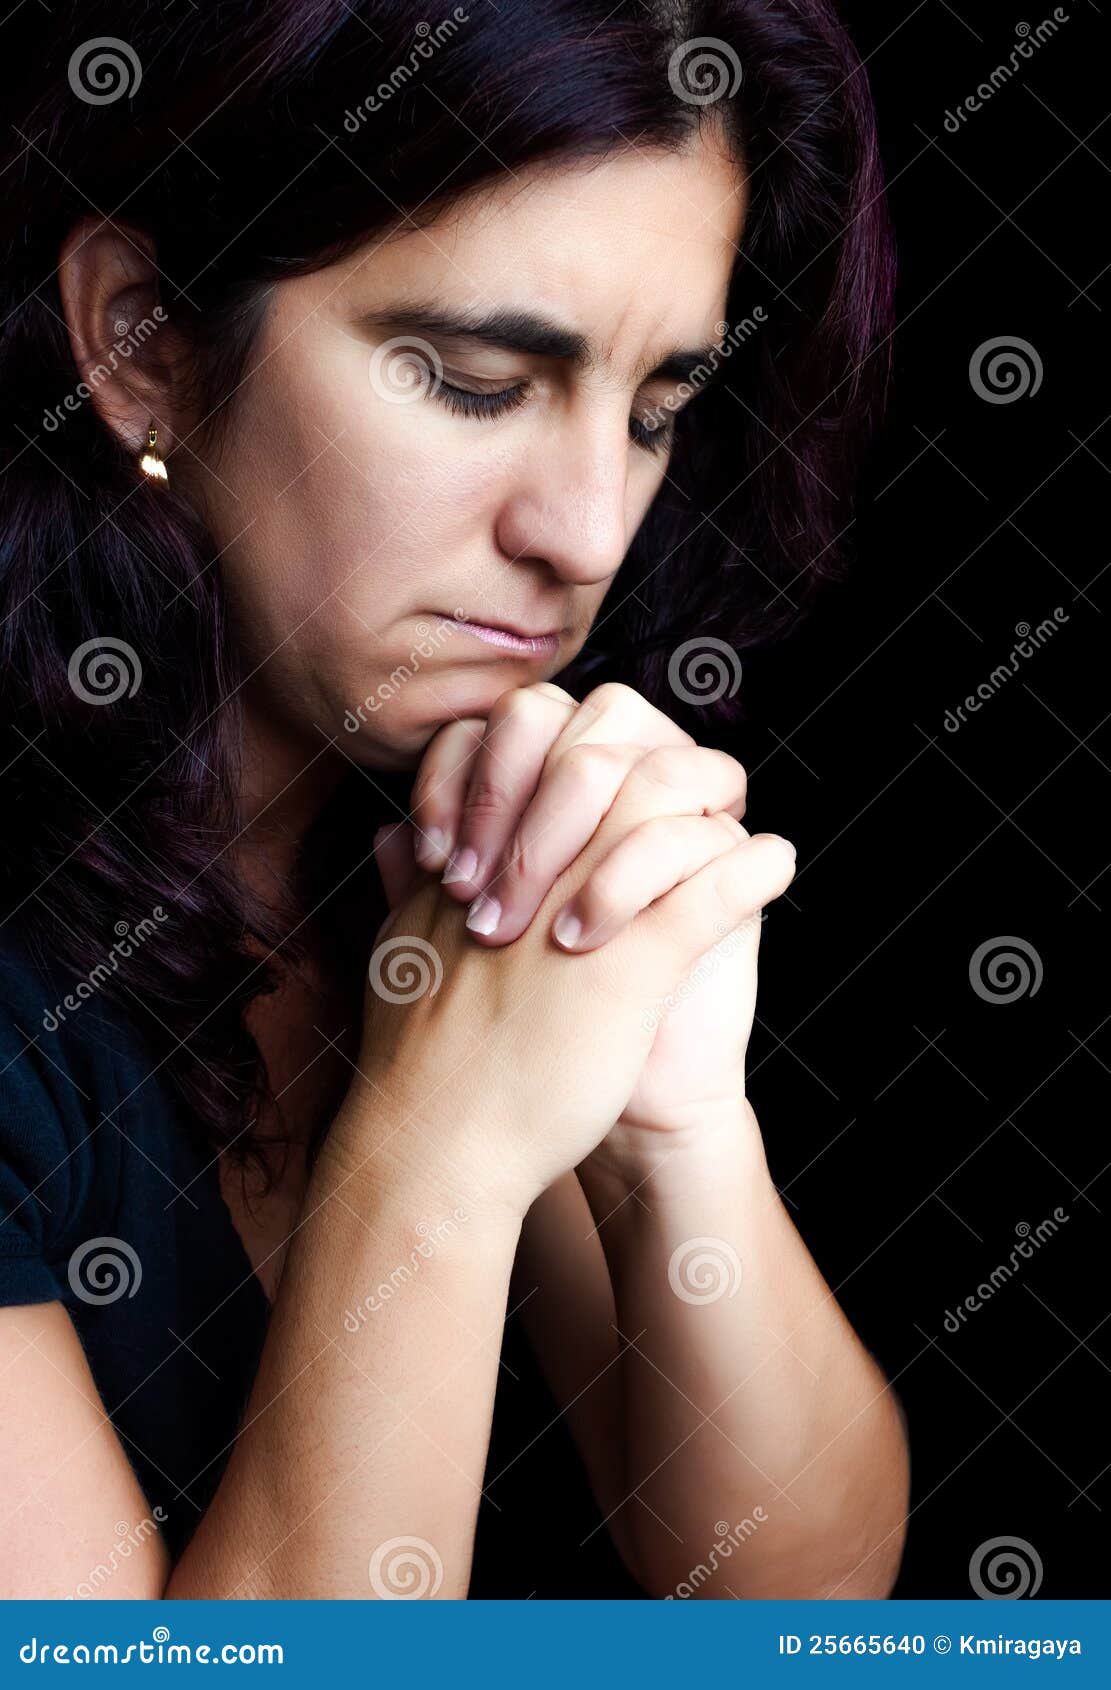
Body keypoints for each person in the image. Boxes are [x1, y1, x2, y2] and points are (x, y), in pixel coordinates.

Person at [0, 0, 908, 1598]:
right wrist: (441, 1141)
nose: (587, 529)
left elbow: (796, 1602)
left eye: (654, 413)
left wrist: (678, 1126)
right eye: (483, 383)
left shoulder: (436, 843)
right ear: (141, 339)